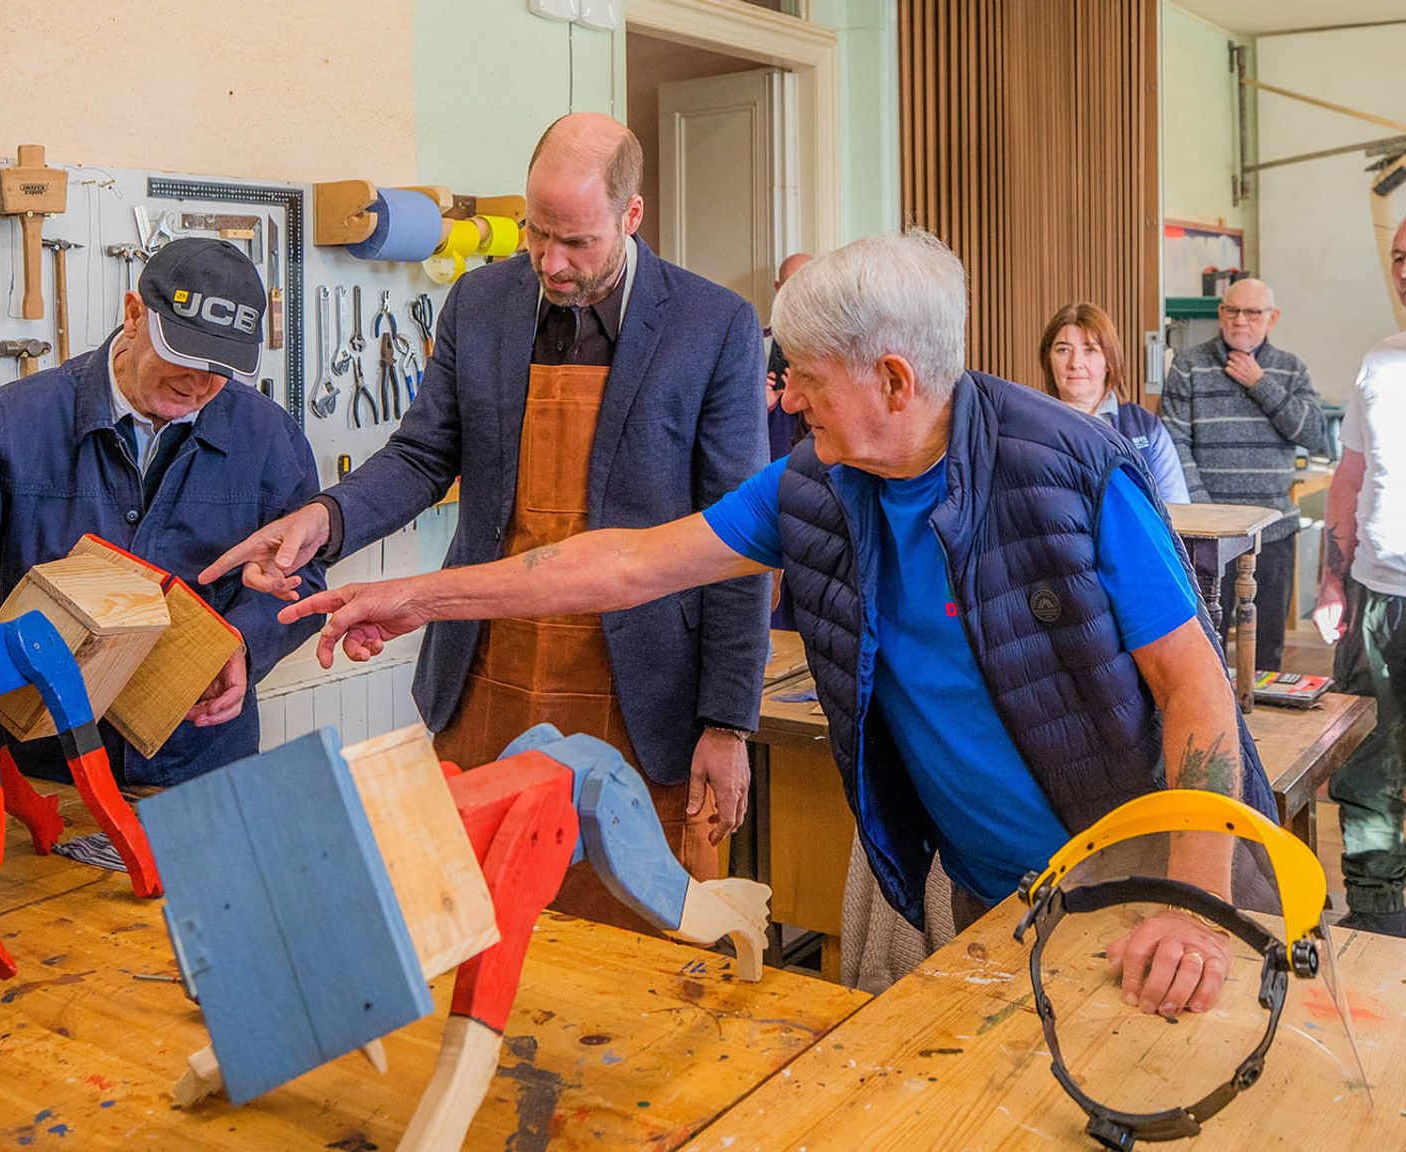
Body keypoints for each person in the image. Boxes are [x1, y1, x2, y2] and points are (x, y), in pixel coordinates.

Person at [282, 230, 1278, 1017]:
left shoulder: (1064, 470)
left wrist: (1190, 905)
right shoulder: (813, 485)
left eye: (803, 373)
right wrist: (414, 596)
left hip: (1146, 866)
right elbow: (623, 562)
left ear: (891, 380)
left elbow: (1194, 690)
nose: (783, 394)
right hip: (981, 884)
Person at [200, 113, 770, 932]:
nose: (551, 262)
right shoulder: (482, 301)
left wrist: (725, 720)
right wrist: (322, 519)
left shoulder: (711, 328)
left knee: (638, 949)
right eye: (538, 234)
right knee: (472, 917)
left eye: (576, 242)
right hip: (485, 670)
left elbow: (738, 541)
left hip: (644, 697)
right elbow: (423, 456)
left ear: (632, 217)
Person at [0, 238, 325, 787]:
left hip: (201, 765)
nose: (198, 383)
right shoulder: (14, 424)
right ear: (134, 314)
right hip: (43, 770)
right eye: (184, 356)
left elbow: (303, 578)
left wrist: (241, 643)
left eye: (219, 370)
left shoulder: (270, 439)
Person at [1312, 218, 1406, 938]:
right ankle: (1379, 917)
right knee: (1366, 768)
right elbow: (1349, 478)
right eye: (1399, 258)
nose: (1404, 270)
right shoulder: (1378, 361)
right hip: (1377, 596)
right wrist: (1333, 581)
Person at [1161, 277, 1329, 671]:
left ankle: (1263, 728)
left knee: (1267, 647)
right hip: (1207, 536)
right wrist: (1208, 517)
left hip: (1273, 530)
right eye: (1232, 311)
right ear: (1221, 314)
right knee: (1206, 644)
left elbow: (1315, 435)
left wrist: (1260, 383)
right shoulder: (1189, 365)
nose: (1241, 321)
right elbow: (1174, 444)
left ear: (1272, 318)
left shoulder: (1289, 369)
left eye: (1253, 313)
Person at [1038, 302, 1194, 505]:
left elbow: (1177, 515)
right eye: (1063, 350)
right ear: (1048, 358)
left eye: (1090, 350)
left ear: (1109, 362)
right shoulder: (1027, 427)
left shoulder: (1147, 429)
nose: (1075, 363)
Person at [766, 252, 814, 461]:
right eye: (790, 285)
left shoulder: (838, 349)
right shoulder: (754, 343)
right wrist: (758, 403)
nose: (798, 294)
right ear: (778, 288)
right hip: (768, 461)